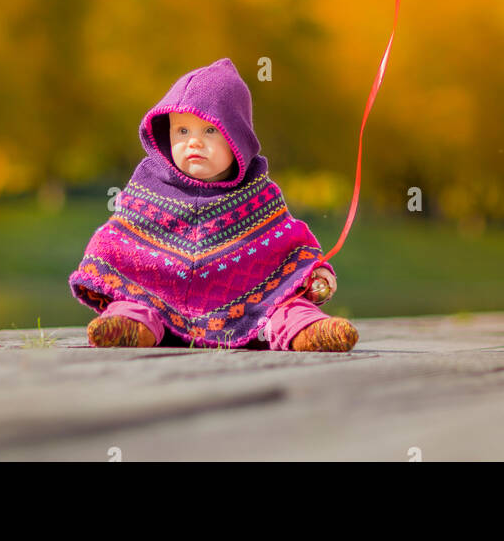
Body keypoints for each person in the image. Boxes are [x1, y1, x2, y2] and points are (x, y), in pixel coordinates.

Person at [69, 57, 359, 352]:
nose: (194, 142)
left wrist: (313, 272)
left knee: (286, 308)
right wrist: (104, 258)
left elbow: (286, 241)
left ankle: (310, 331)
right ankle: (127, 329)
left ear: (238, 138)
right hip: (159, 296)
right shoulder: (149, 186)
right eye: (183, 131)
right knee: (134, 304)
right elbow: (121, 234)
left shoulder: (256, 193)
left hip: (249, 305)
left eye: (210, 130)